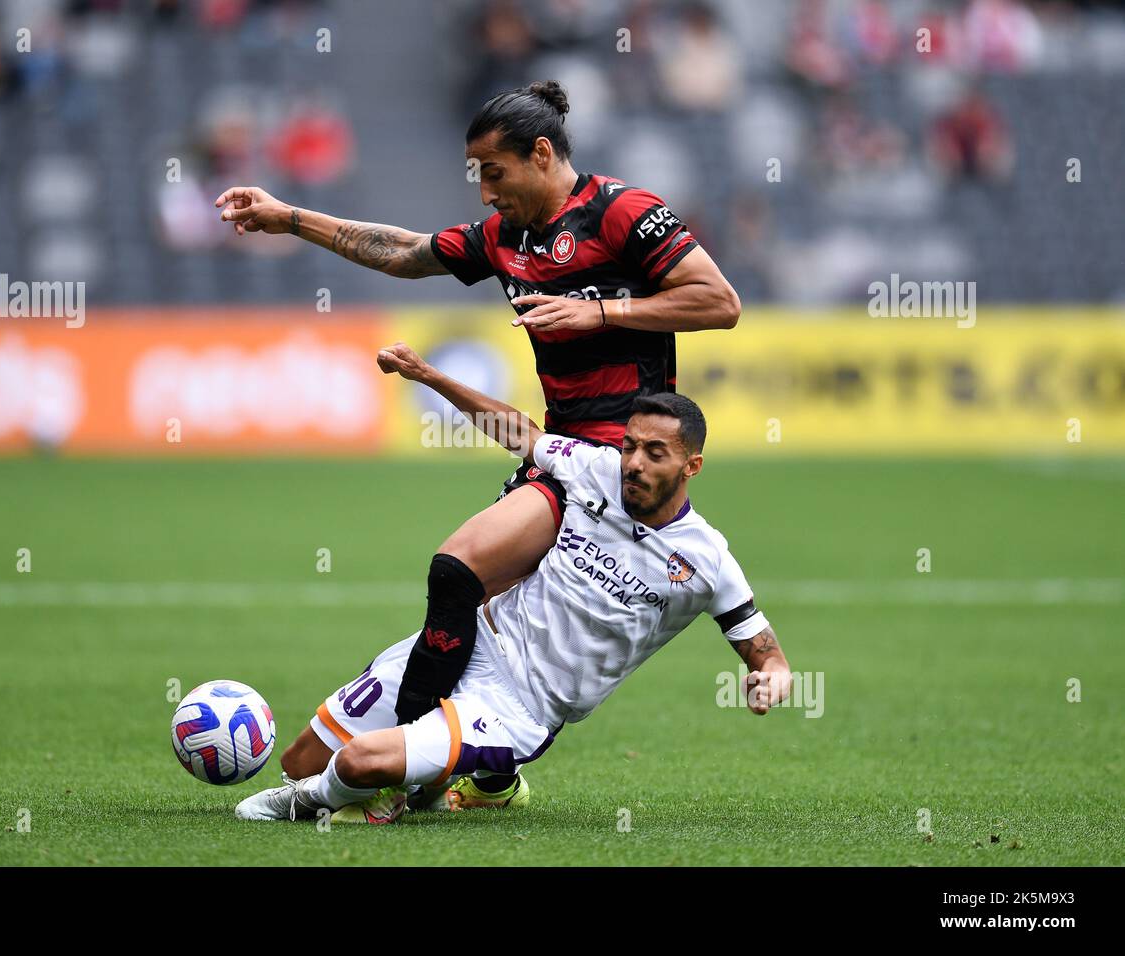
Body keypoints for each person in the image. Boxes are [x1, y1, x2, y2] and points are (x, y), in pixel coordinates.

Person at [216, 80, 741, 802]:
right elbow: (405, 252)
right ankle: (489, 775)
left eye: (495, 172)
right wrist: (289, 217)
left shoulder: (625, 213)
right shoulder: (505, 238)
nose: (486, 192)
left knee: (459, 571)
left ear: (543, 153)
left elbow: (719, 302)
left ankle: (403, 769)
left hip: (619, 467)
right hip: (557, 454)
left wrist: (600, 315)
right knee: (487, 617)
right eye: (477, 175)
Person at [235, 343, 791, 824]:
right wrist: (431, 378)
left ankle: (316, 802)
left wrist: (771, 683)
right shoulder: (593, 467)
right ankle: (456, 781)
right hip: (472, 642)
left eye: (655, 453)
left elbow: (769, 657)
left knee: (356, 765)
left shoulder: (707, 560)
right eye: (630, 445)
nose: (633, 464)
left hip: (520, 707)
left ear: (691, 466)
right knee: (300, 760)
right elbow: (520, 434)